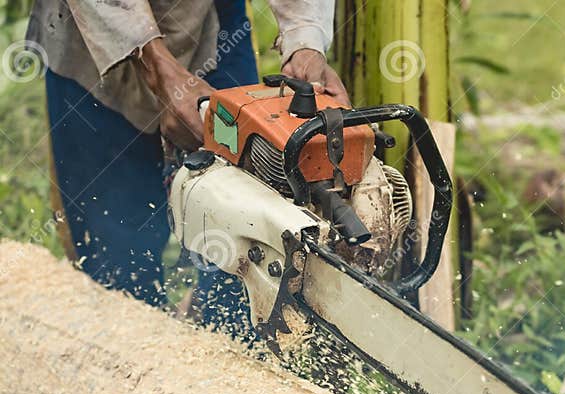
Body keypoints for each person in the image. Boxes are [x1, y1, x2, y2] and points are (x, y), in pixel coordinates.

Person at [27, 0, 349, 333]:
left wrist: (305, 43)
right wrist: (157, 67)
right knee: (118, 272)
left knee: (246, 244)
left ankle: (229, 345)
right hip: (91, 37)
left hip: (210, 25)